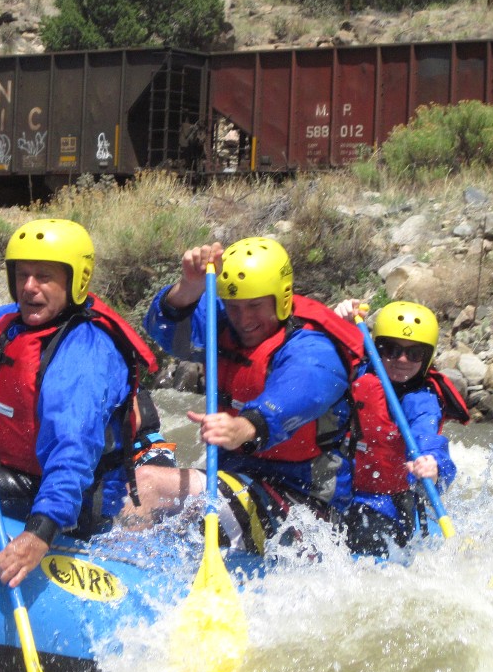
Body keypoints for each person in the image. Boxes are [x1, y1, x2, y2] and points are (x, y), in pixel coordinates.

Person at [0, 218, 174, 588]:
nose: (29, 287)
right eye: (22, 274)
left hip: (74, 503)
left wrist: (39, 532)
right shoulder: (4, 323)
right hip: (27, 480)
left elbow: (72, 450)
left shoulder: (84, 352)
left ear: (75, 281)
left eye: (44, 276)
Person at [132, 237, 365, 553]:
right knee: (129, 482)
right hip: (241, 480)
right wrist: (188, 288)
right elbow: (167, 333)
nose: (243, 319)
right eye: (235, 307)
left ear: (281, 298)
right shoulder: (225, 324)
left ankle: (118, 570)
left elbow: (300, 393)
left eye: (254, 306)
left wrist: (245, 427)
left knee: (148, 485)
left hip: (305, 508)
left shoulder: (315, 348)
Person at [331, 299, 470, 555]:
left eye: (414, 353)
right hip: (335, 490)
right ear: (376, 348)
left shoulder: (422, 401)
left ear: (427, 357)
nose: (402, 359)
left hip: (386, 503)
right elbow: (315, 360)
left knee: (362, 537)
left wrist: (433, 466)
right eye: (391, 349)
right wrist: (339, 325)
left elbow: (428, 440)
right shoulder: (355, 371)